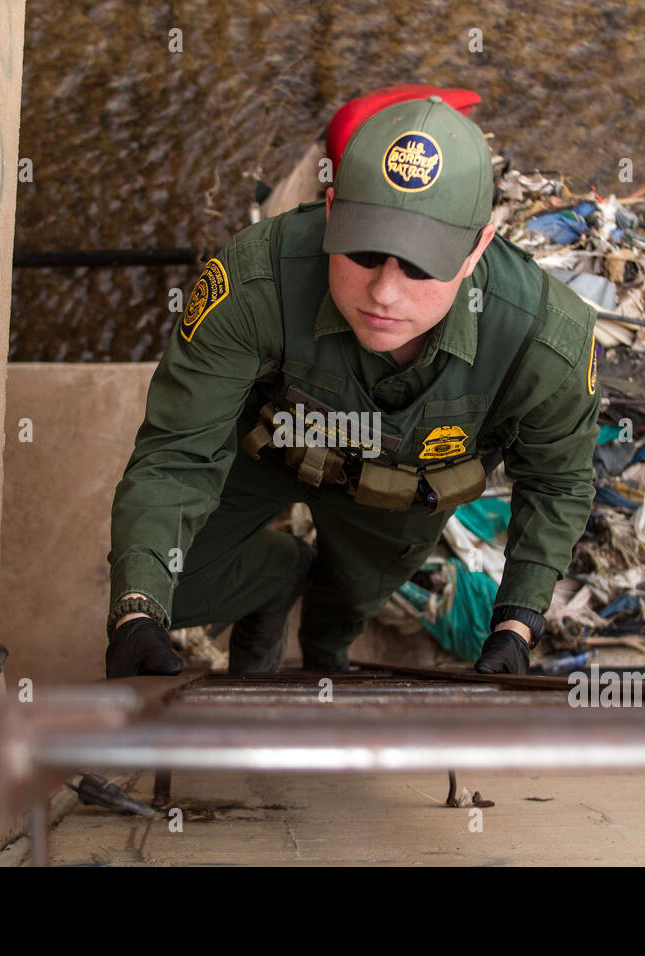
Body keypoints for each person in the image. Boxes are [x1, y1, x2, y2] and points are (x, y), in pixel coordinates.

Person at [105, 94, 600, 678]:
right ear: (333, 210)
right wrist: (136, 613)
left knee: (349, 603)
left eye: (421, 265)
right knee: (169, 588)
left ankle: (324, 663)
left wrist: (517, 623)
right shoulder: (255, 278)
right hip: (269, 452)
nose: (385, 293)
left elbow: (557, 480)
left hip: (399, 501)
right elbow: (176, 453)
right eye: (365, 252)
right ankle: (278, 575)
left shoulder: (546, 341)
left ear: (475, 250)